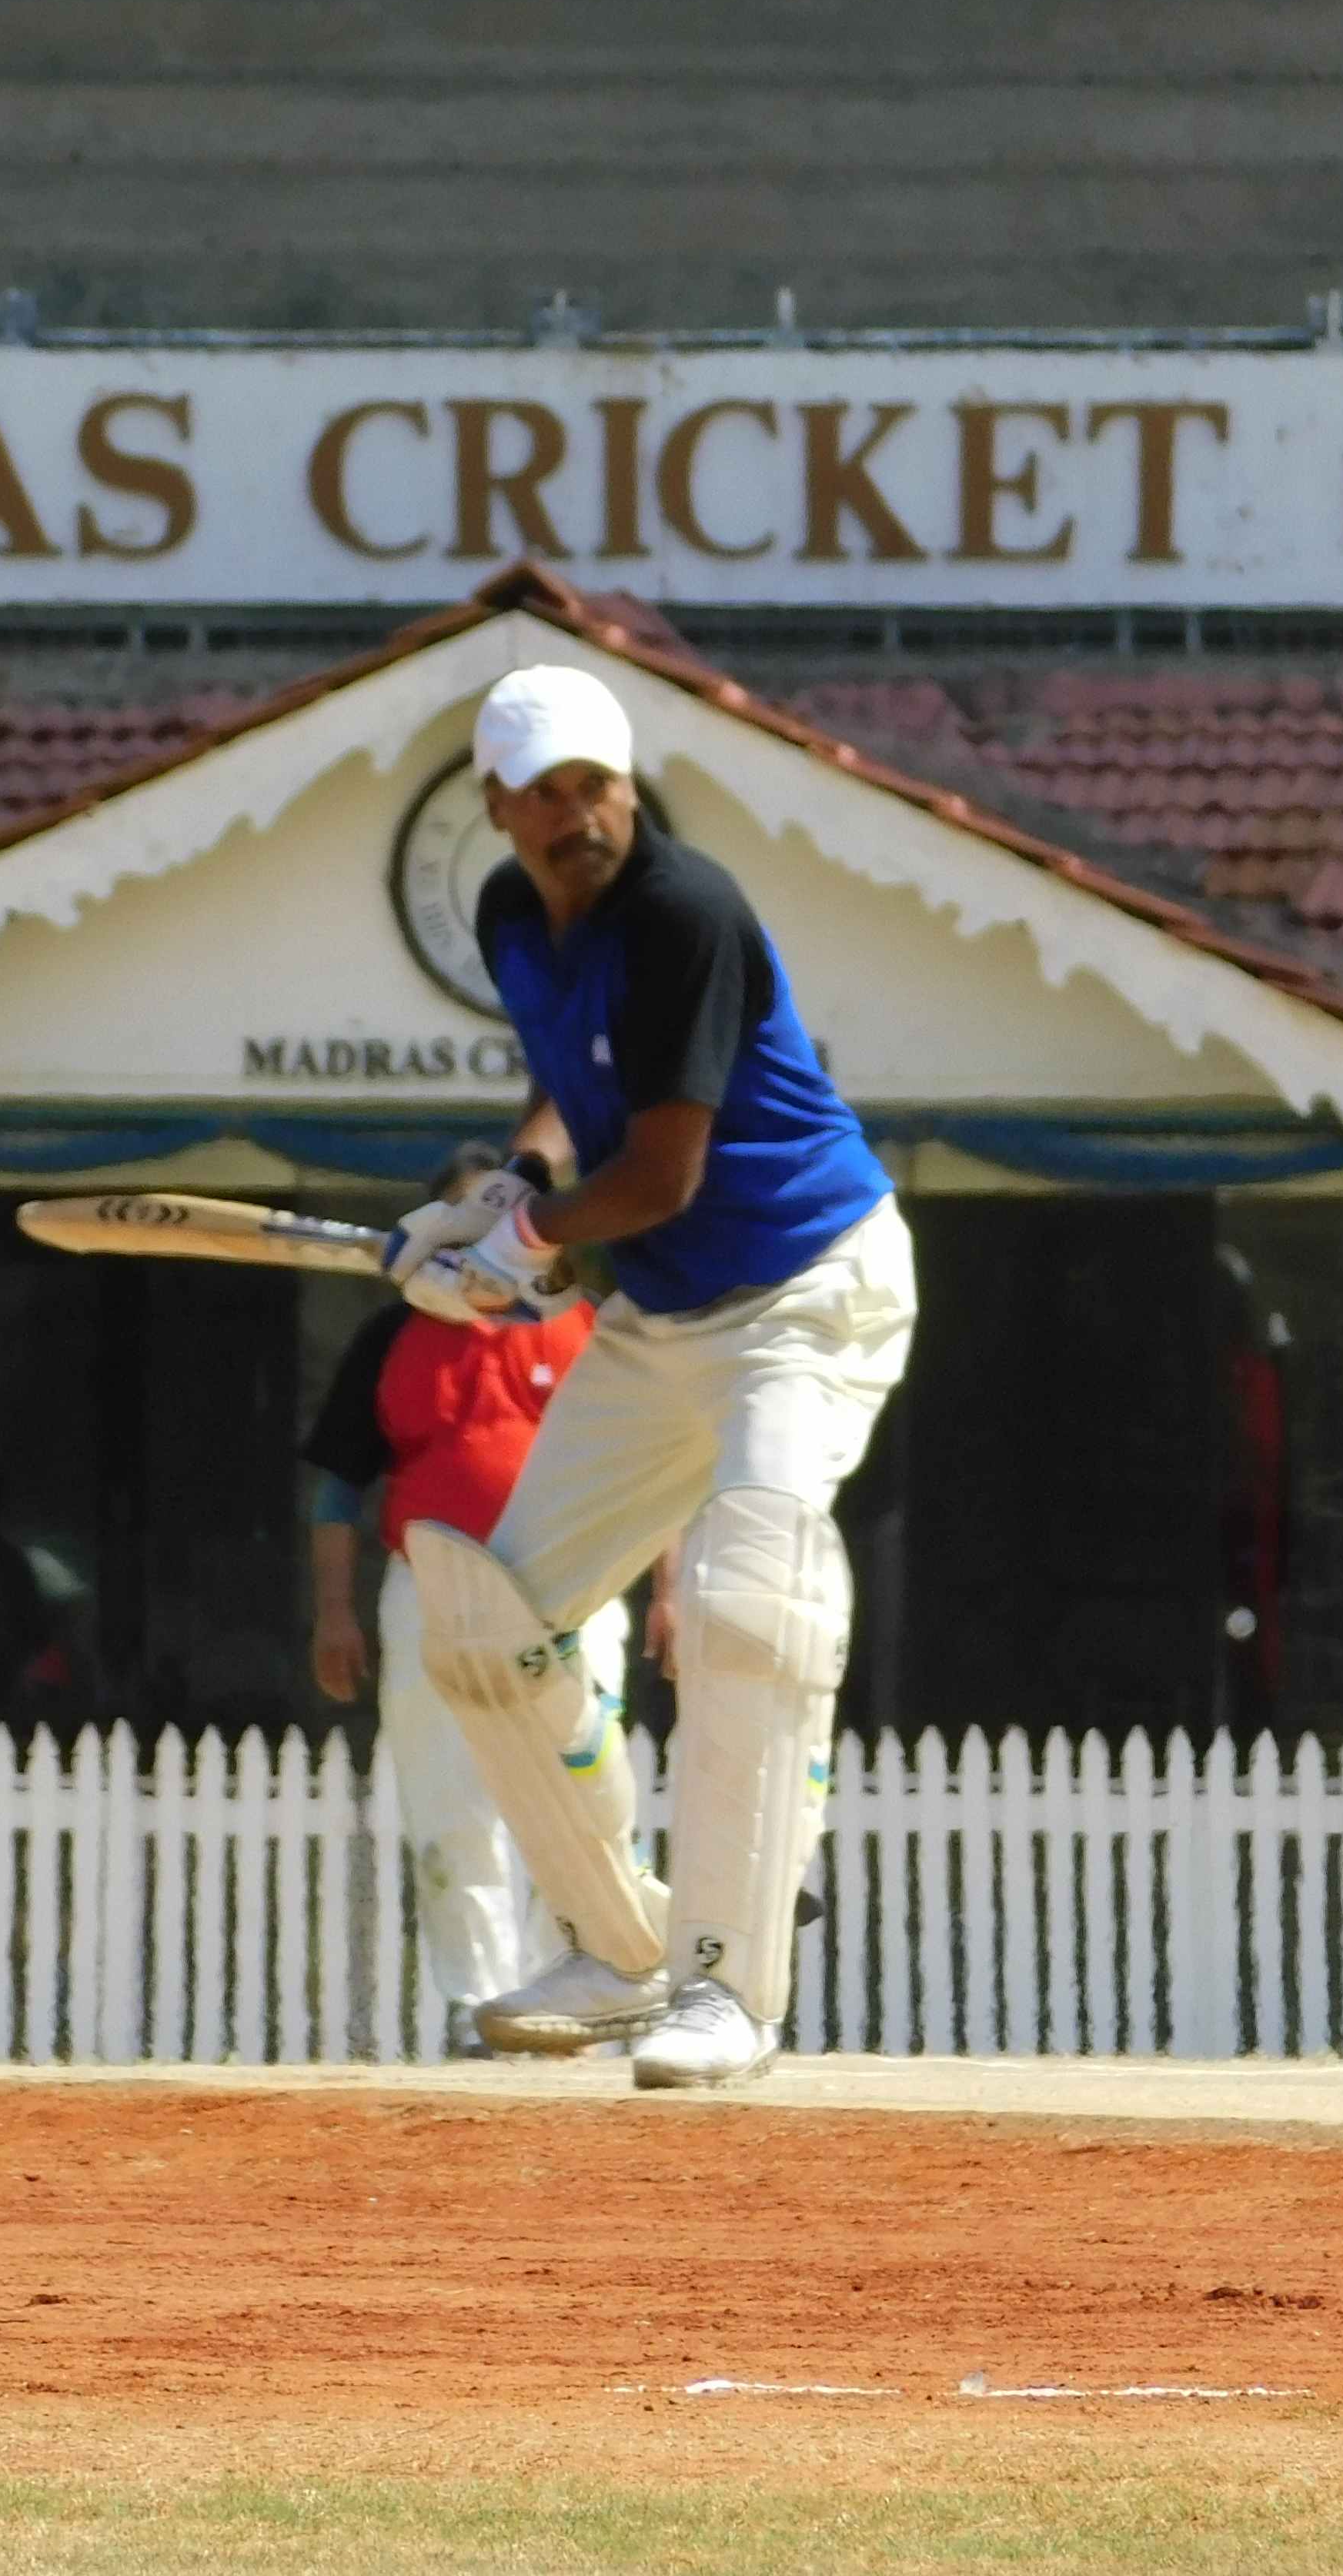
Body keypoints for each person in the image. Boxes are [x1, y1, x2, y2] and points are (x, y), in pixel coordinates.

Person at [385, 663, 914, 2089]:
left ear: (627, 787)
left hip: (809, 1288)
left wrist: (525, 1243)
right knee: (484, 1624)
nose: (577, 818)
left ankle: (730, 1986)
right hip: (670, 1317)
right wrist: (511, 1184)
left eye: (595, 787)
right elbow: (578, 1093)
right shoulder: (512, 916)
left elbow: (666, 1174)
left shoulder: (686, 911)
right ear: (495, 806)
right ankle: (619, 1948)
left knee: (750, 1594)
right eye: (544, 794)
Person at [302, 1141, 633, 2051]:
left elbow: (657, 1467)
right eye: (467, 1220)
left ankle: (576, 1987)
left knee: (581, 1795)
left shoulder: (600, 1331)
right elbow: (339, 1488)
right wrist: (334, 1613)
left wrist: (673, 1589)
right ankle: (476, 2003)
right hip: (433, 1588)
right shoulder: (391, 1336)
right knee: (449, 1795)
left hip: (575, 1590)